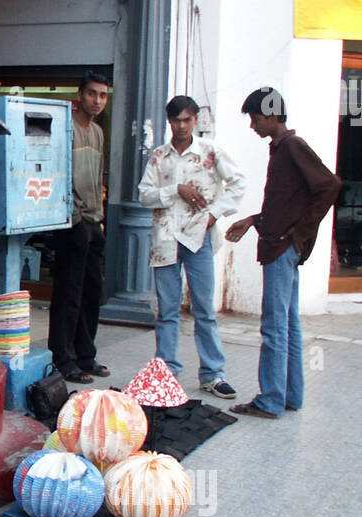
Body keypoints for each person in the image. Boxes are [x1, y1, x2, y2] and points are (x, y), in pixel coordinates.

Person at [224, 87, 342, 419]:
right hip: (280, 245)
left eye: (256, 119)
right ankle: (291, 396)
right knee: (288, 324)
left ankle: (270, 400)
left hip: (282, 248)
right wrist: (252, 221)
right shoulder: (282, 149)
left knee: (275, 326)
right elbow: (284, 203)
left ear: (273, 116)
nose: (253, 126)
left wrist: (300, 232)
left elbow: (329, 186)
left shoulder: (292, 146)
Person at [138, 96, 246, 398]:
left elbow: (238, 183)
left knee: (204, 311)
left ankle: (212, 374)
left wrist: (215, 213)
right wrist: (176, 190)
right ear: (169, 121)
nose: (181, 126)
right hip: (165, 241)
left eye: (187, 120)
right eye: (176, 121)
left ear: (196, 119)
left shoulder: (211, 152)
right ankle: (167, 373)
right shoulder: (159, 156)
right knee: (167, 312)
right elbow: (144, 195)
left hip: (198, 240)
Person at [48, 72, 110, 384]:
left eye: (102, 95)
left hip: (93, 219)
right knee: (68, 293)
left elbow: (96, 176)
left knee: (91, 292)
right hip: (70, 220)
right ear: (79, 95)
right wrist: (72, 213)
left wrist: (98, 216)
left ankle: (86, 355)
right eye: (92, 94)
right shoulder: (65, 127)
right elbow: (55, 171)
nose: (97, 101)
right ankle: (63, 358)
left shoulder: (98, 132)